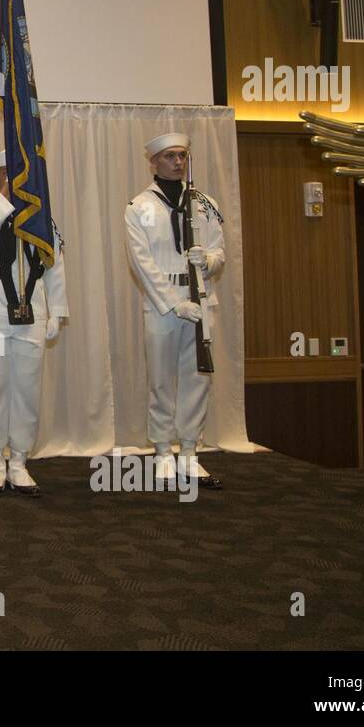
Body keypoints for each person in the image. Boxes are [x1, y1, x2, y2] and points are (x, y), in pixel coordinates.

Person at [124, 132, 225, 489]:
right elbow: (142, 263)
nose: (178, 162)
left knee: (197, 378)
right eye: (169, 156)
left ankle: (190, 451)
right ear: (153, 162)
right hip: (163, 305)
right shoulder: (139, 207)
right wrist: (173, 302)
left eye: (182, 155)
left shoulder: (204, 203)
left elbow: (219, 251)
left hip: (200, 299)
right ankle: (164, 448)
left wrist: (209, 261)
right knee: (163, 379)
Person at [0, 150, 67, 497]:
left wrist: (58, 311)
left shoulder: (41, 217)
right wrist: (11, 190)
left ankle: (19, 460)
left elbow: (54, 264)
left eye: (18, 173)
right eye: (5, 173)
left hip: (30, 314)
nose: (12, 178)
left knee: (25, 389)